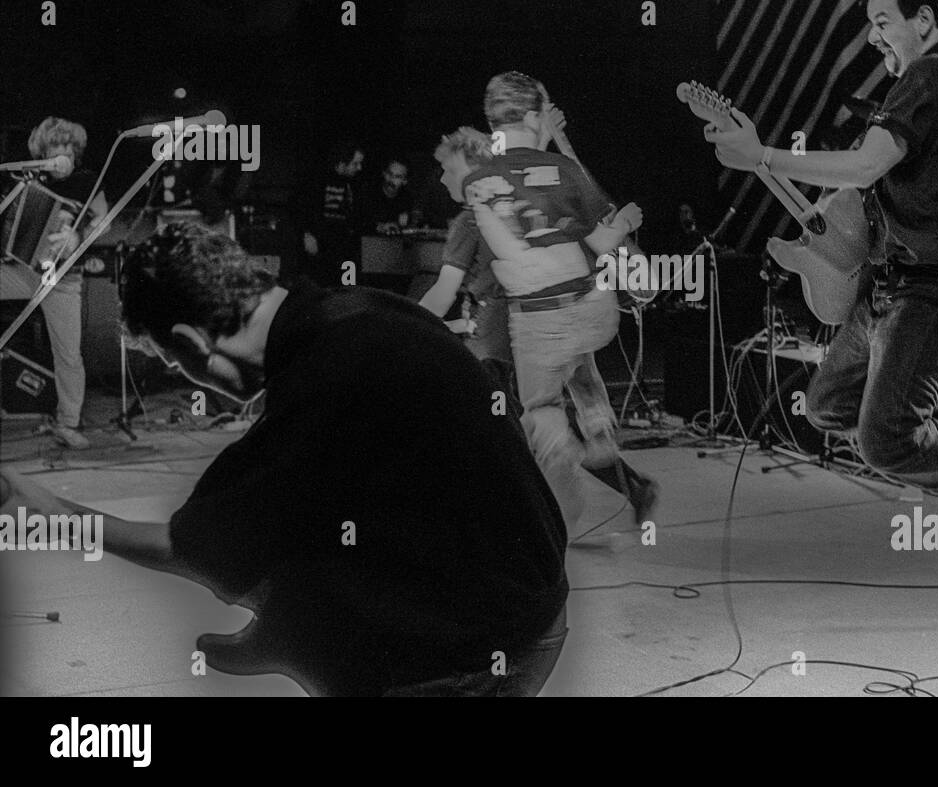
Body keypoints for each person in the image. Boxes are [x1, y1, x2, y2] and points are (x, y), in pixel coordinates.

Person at [0, 222, 569, 696]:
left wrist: (47, 512)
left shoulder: (330, 373)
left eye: (175, 365)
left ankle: (301, 638)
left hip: (485, 643)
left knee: (243, 538)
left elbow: (198, 548)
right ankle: (291, 634)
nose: (186, 375)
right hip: (523, 593)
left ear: (192, 344)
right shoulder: (362, 312)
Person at [706, 0, 938, 553]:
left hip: (937, 294)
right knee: (824, 405)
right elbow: (880, 186)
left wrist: (761, 154)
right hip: (892, 290)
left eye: (882, 21)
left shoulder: (934, 73)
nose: (873, 36)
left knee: (885, 443)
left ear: (923, 21)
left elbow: (866, 163)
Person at [452, 72, 659, 534]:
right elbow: (599, 235)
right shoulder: (564, 172)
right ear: (531, 116)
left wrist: (539, 131)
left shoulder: (478, 184)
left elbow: (515, 178)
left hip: (532, 318)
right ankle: (602, 435)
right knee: (579, 363)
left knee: (540, 412)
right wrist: (628, 239)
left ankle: (569, 473)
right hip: (588, 307)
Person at [0, 116, 110, 450]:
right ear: (43, 152)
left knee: (68, 354)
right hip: (21, 271)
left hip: (62, 277)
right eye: (54, 148)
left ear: (75, 153)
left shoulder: (88, 181)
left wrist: (78, 235)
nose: (61, 155)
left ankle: (68, 422)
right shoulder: (25, 179)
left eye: (67, 149)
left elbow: (102, 222)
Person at [420, 128, 520, 422]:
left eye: (449, 170)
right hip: (524, 330)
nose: (442, 178)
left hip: (491, 340)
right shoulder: (514, 209)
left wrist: (405, 322)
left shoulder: (469, 221)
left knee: (491, 420)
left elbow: (443, 294)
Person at [301, 142, 364, 285]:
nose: (359, 168)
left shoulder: (355, 184)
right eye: (355, 164)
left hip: (345, 248)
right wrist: (307, 233)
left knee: (346, 291)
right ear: (342, 164)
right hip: (321, 246)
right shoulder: (317, 180)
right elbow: (303, 209)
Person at [361, 159, 417, 233]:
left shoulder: (407, 198)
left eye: (398, 176)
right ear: (384, 173)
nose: (391, 179)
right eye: (389, 174)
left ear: (405, 181)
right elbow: (360, 222)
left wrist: (406, 223)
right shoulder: (368, 194)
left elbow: (412, 225)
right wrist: (380, 227)